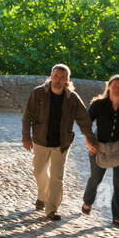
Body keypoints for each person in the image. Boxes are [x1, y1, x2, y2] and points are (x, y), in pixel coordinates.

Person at [21, 64, 98, 219]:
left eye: (62, 77)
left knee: (57, 177)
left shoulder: (72, 98)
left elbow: (84, 121)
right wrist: (26, 137)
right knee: (39, 171)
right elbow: (27, 116)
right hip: (41, 140)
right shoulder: (38, 93)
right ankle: (42, 195)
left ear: (67, 80)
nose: (58, 79)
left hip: (61, 143)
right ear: (51, 76)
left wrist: (90, 140)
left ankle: (51, 209)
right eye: (56, 76)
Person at [81, 74, 119, 228]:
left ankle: (117, 217)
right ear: (109, 86)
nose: (118, 89)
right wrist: (88, 142)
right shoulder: (98, 104)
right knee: (96, 178)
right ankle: (87, 202)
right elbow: (85, 124)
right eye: (115, 85)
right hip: (98, 147)